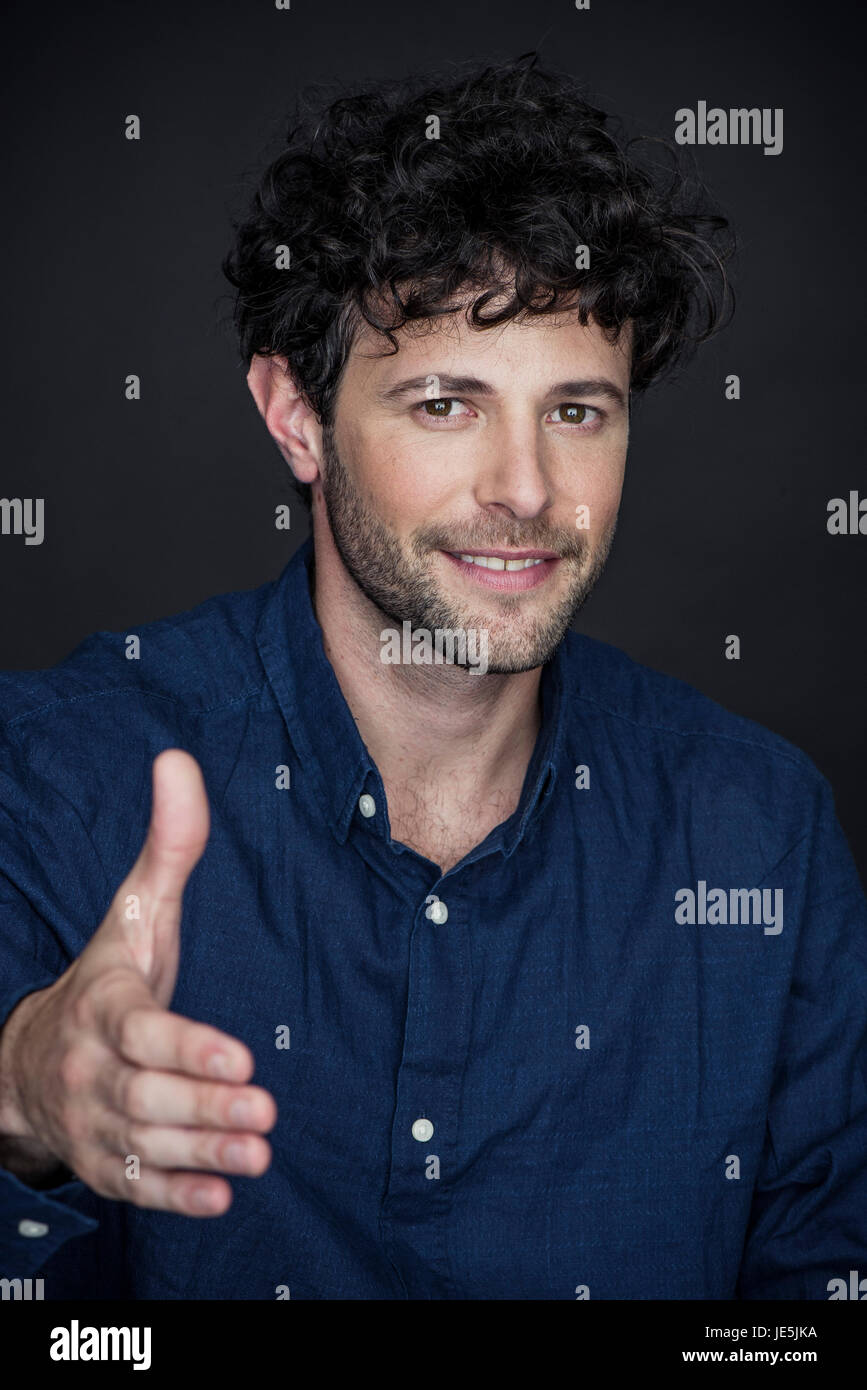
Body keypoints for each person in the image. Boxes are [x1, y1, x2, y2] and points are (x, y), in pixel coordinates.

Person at [1, 55, 864, 1301]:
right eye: (447, 403)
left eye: (578, 411)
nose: (525, 489)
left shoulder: (758, 830)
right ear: (294, 415)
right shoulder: (59, 771)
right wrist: (27, 1089)